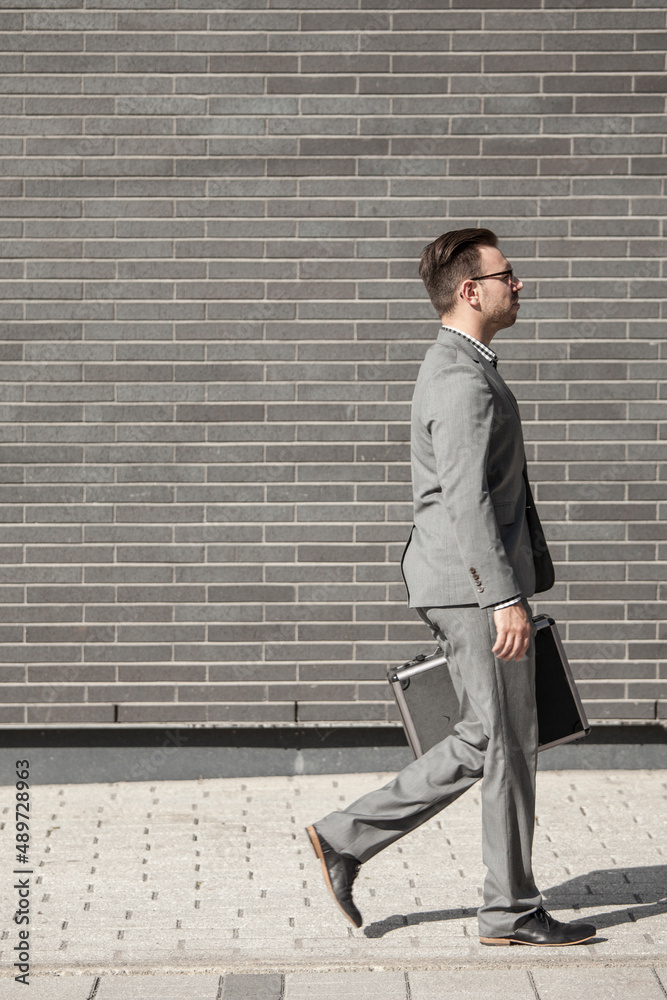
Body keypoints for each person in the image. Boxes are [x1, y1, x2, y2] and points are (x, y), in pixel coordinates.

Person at [306, 228, 597, 948]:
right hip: (471, 588)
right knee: (507, 743)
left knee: (488, 737)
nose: (518, 285)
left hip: (461, 581)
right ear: (471, 290)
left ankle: (347, 838)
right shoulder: (461, 380)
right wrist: (502, 596)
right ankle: (509, 910)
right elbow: (467, 502)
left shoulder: (461, 366)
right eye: (506, 275)